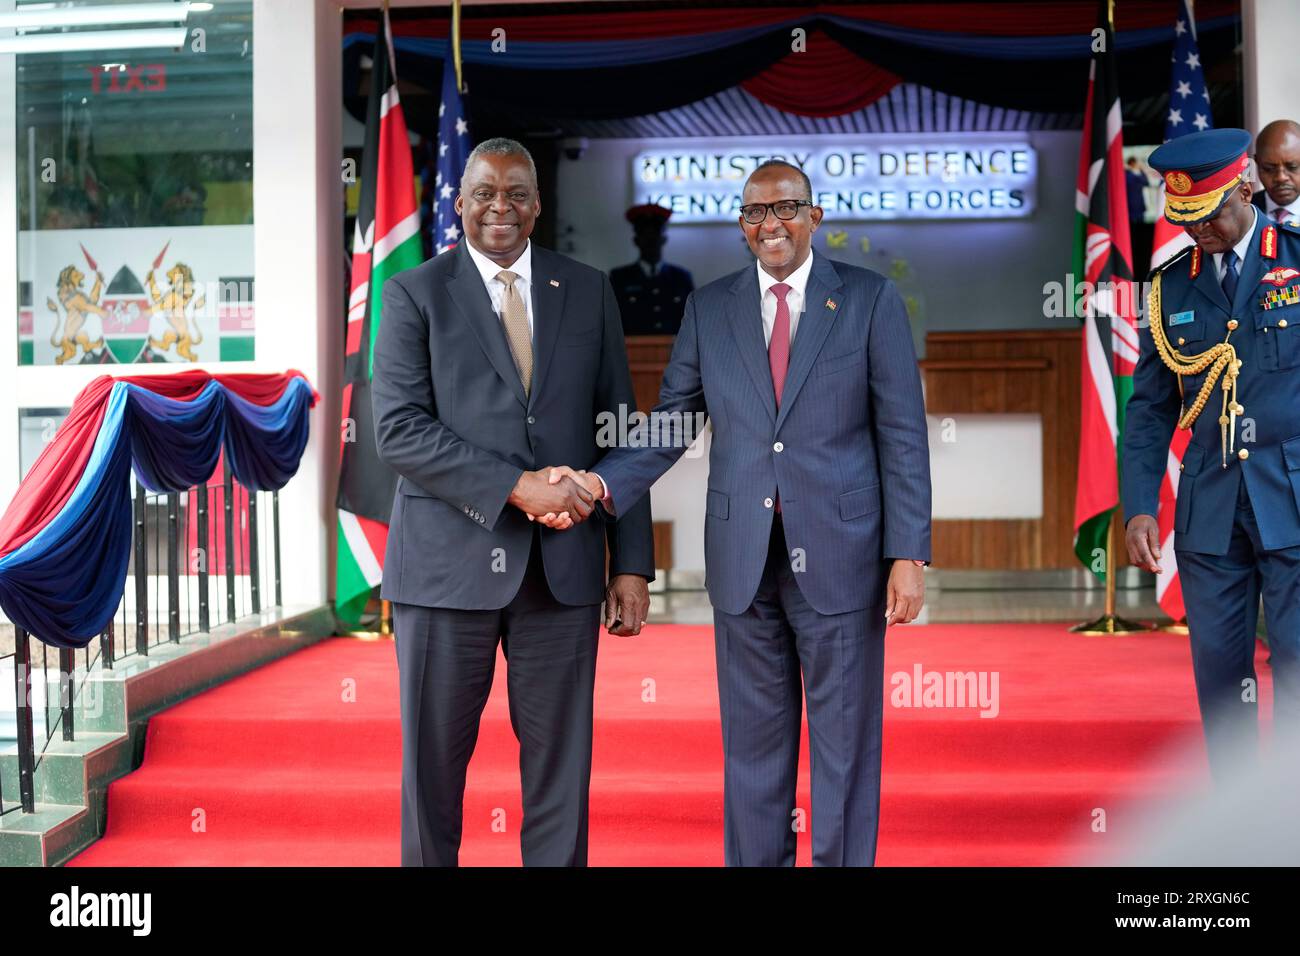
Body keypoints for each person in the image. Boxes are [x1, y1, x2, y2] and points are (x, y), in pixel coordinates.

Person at [549, 159, 931, 866]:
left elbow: (902, 434)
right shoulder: (711, 307)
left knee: (844, 748)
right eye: (755, 213)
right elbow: (673, 420)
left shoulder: (869, 301)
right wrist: (600, 486)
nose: (771, 224)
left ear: (815, 217)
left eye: (785, 208)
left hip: (844, 556)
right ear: (741, 227)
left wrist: (907, 553)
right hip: (741, 560)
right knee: (754, 751)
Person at [371, 137, 654, 866]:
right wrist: (516, 487)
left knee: (561, 771)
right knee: (432, 772)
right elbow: (398, 430)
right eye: (486, 193)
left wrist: (632, 565)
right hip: (443, 572)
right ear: (458, 202)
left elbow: (617, 428)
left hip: (562, 573)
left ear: (538, 203)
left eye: (517, 193)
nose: (502, 206)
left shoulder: (587, 288)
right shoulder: (413, 292)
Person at [1123, 127, 1300, 780]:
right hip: (1211, 510)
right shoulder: (1170, 289)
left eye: (1209, 215)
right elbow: (1147, 409)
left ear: (1246, 185)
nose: (1197, 231)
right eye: (1185, 219)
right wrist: (1141, 505)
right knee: (1223, 681)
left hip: (1294, 501)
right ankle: (1239, 827)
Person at [608, 203, 694, 336]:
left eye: (655, 235)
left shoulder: (681, 277)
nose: (651, 241)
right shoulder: (619, 278)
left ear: (664, 239)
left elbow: (691, 321)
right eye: (645, 236)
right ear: (636, 240)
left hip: (675, 352)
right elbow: (612, 322)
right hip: (632, 353)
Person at [1252, 119, 1300, 226]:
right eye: (1269, 168)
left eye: (1292, 167)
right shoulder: (1245, 210)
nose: (1281, 177)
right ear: (1257, 163)